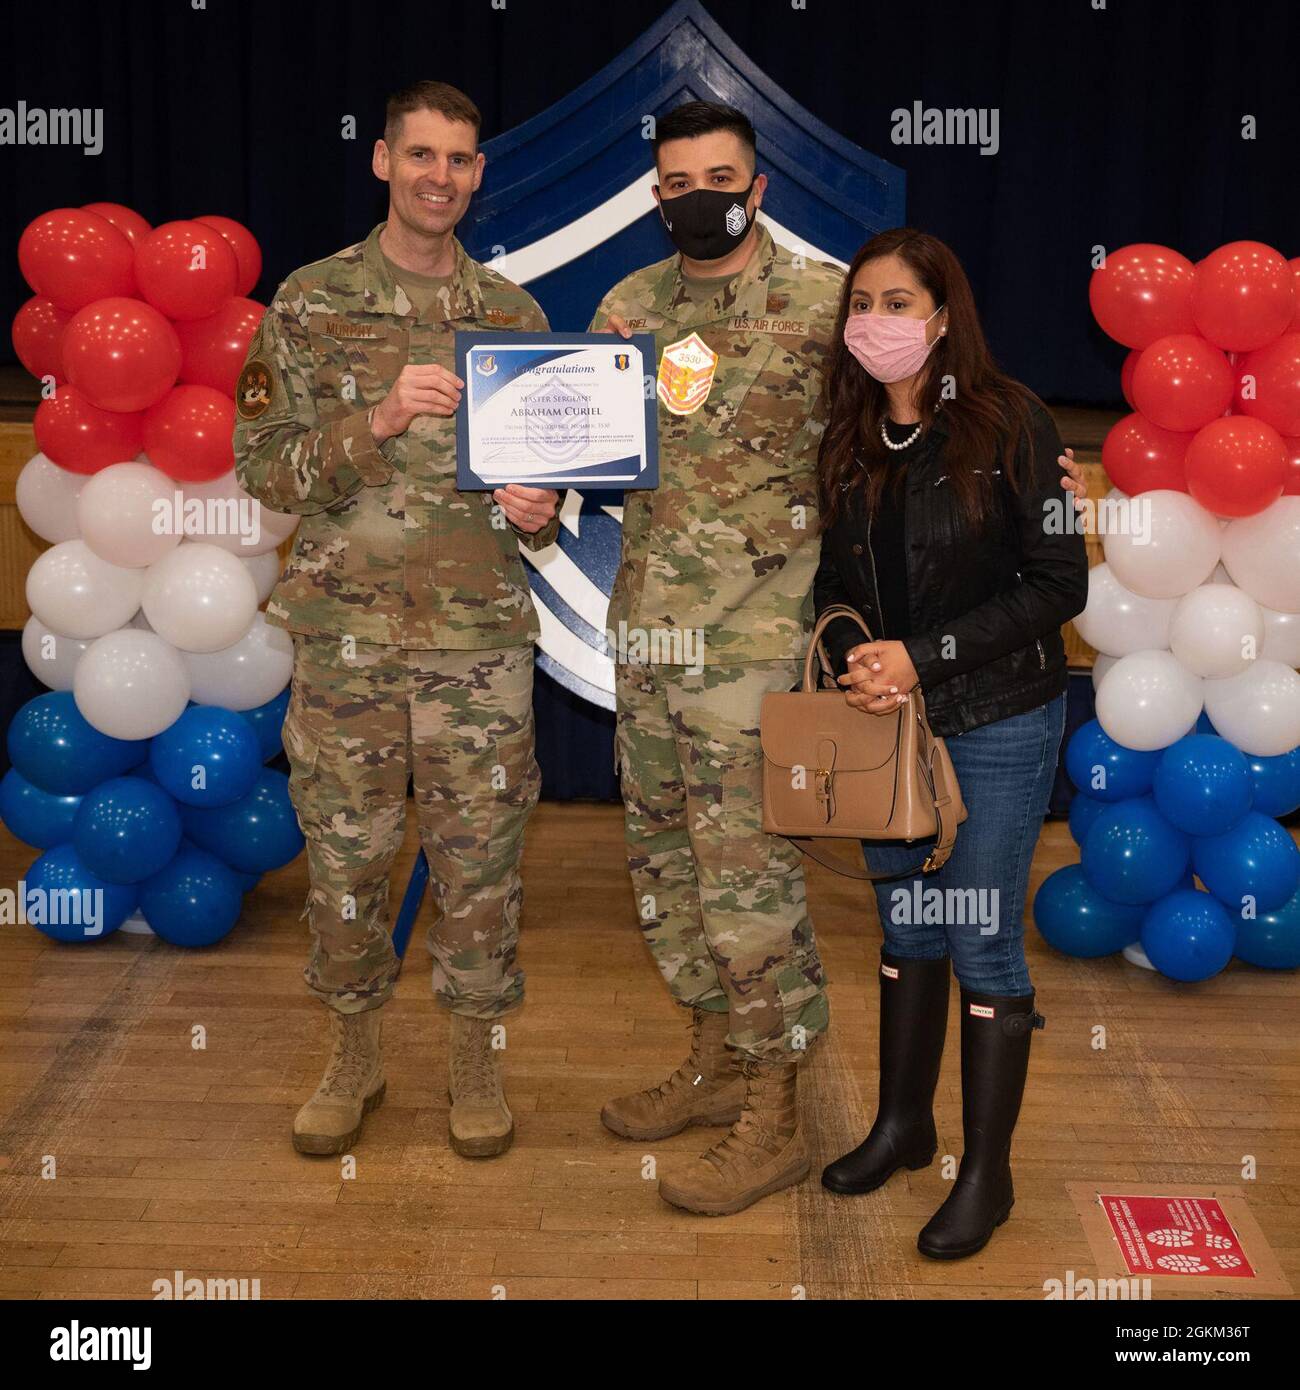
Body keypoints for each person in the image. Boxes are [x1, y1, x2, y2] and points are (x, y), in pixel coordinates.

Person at [594, 105, 1089, 1216]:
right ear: (656, 192)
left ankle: (777, 1106)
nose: (698, 195)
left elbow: (932, 428)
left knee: (753, 889)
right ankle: (718, 1057)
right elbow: (597, 452)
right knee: (671, 873)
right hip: (650, 640)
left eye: (720, 175)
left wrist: (1030, 460)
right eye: (677, 180)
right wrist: (535, 490)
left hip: (766, 654)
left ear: (758, 186)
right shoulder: (625, 310)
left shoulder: (830, 309)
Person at [234, 81, 559, 1161]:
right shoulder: (310, 300)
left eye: (460, 160)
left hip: (478, 647)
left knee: (481, 861)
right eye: (420, 154)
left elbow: (549, 497)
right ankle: (353, 1053)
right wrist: (373, 420)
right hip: (346, 641)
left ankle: (473, 1055)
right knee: (346, 858)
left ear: (477, 174)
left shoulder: (512, 319)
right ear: (381, 161)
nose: (439, 177)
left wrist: (542, 507)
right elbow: (267, 470)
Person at [812, 227, 1089, 1258]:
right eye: (863, 303)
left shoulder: (1010, 420)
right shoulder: (845, 436)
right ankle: (902, 1124)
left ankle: (987, 1173)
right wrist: (853, 649)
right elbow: (836, 581)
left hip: (998, 719)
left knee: (979, 939)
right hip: (888, 730)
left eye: (899, 304)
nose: (876, 323)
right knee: (908, 933)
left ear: (941, 318)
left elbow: (1059, 584)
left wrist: (920, 656)